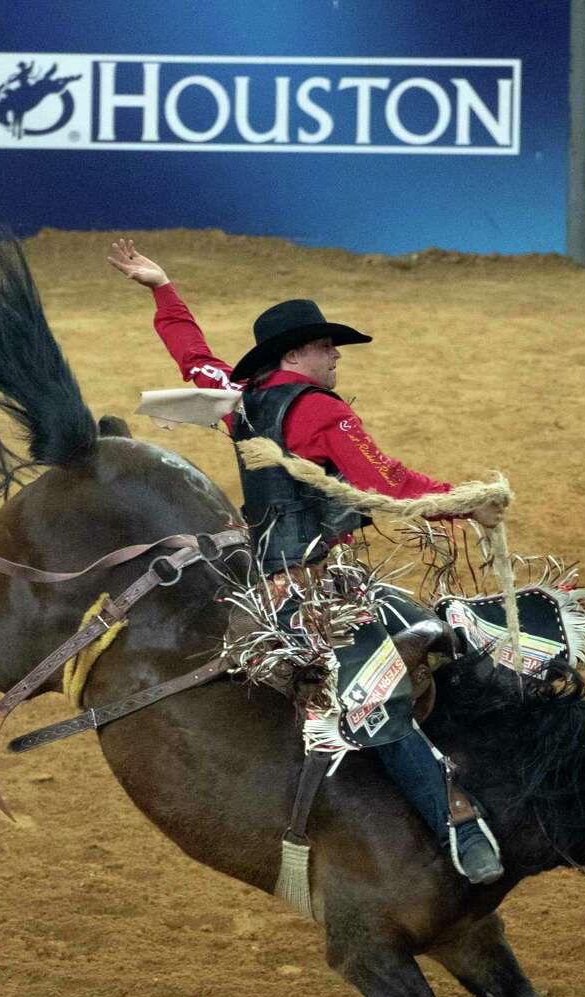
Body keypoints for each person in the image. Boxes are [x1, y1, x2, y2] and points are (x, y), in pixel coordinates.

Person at [108, 238, 505, 884]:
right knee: (379, 693)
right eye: (325, 346)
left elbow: (195, 361)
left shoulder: (239, 399)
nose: (336, 355)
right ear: (296, 355)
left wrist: (162, 288)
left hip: (275, 590)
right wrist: (470, 502)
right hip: (321, 594)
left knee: (422, 641)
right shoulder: (321, 412)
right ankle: (455, 823)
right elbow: (391, 485)